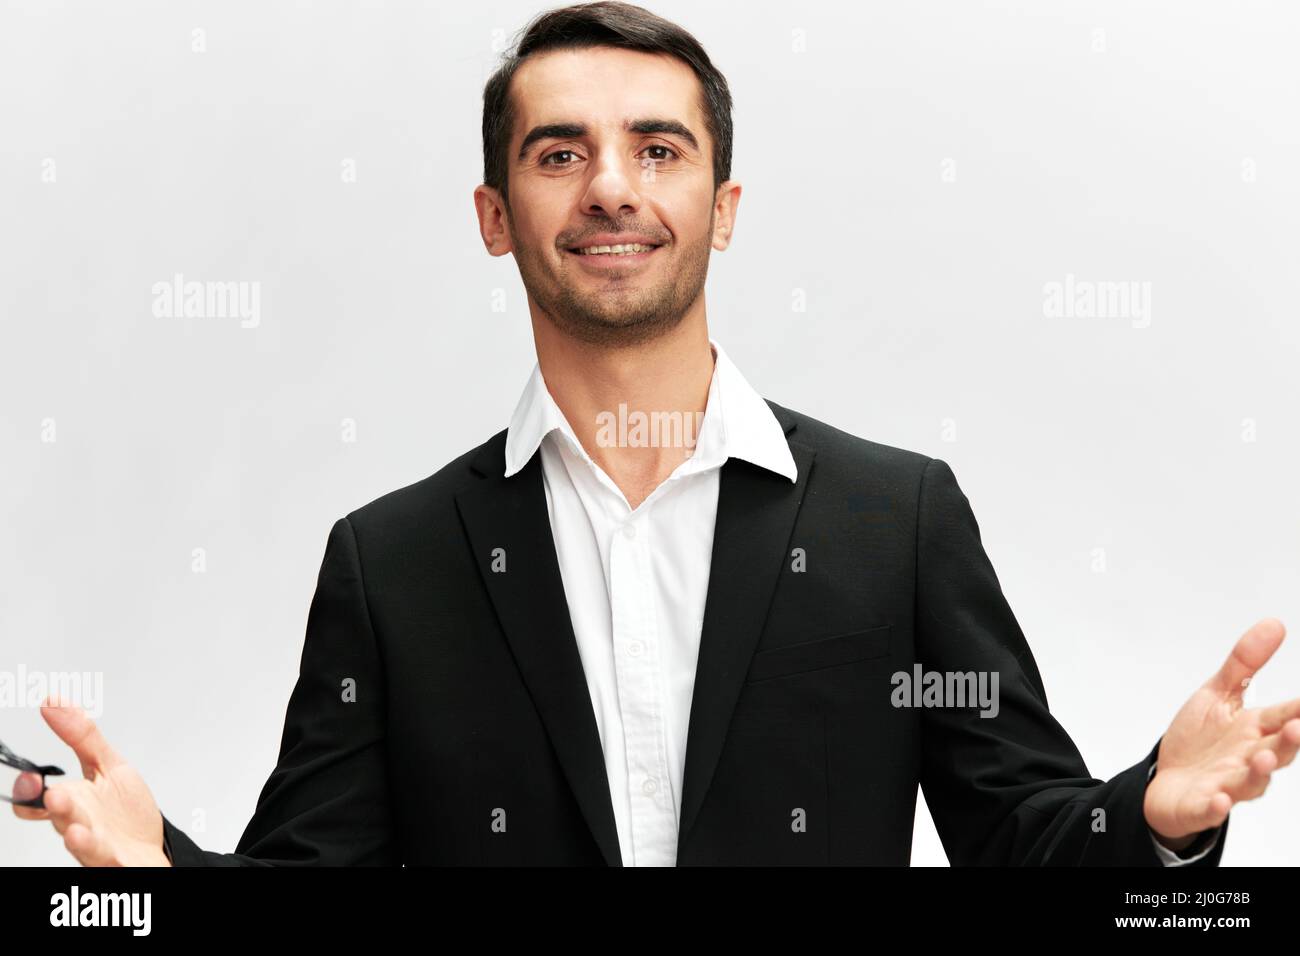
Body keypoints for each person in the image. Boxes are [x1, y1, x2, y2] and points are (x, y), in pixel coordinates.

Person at [15, 1, 1300, 866]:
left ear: (723, 205)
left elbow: (1025, 834)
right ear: (495, 214)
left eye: (658, 148)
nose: (612, 186)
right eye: (559, 152)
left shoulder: (889, 520)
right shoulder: (391, 563)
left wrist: (1152, 818)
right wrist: (152, 872)